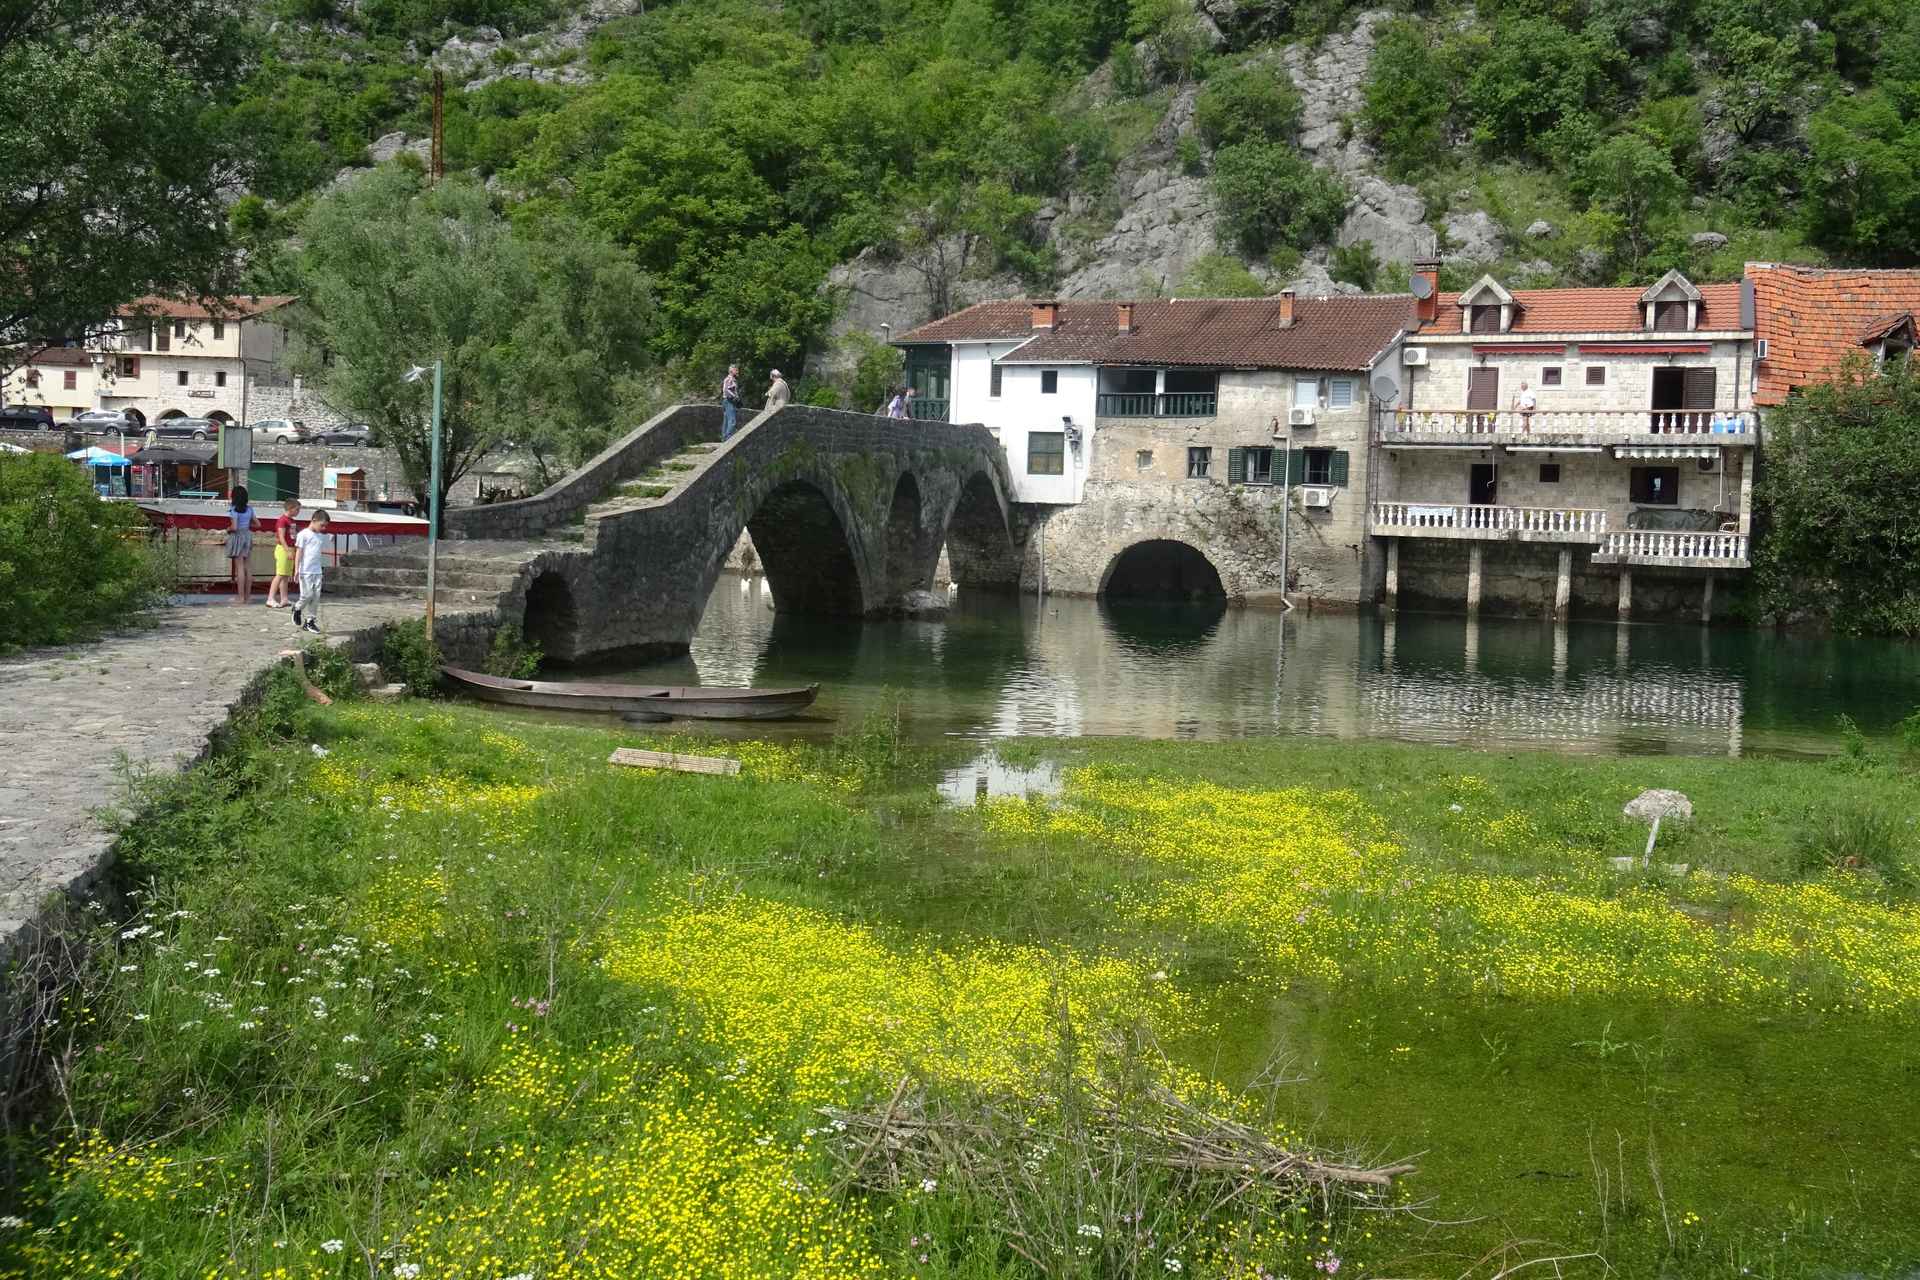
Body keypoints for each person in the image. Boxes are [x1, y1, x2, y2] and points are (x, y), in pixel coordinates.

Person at [291, 507, 330, 634]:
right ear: (314, 520)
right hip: (305, 571)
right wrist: (296, 569)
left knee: (316, 597)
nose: (323, 528)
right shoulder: (303, 535)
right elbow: (299, 553)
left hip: (317, 571)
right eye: (322, 525)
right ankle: (297, 608)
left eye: (325, 526)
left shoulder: (319, 536)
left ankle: (310, 621)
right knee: (307, 595)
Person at [265, 496, 299, 609]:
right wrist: (287, 550)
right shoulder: (282, 520)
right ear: (290, 508)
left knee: (285, 575)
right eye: (297, 509)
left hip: (291, 548)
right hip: (284, 549)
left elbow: (293, 535)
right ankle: (270, 598)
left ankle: (284, 598)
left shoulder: (292, 521)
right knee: (279, 574)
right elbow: (281, 537)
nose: (298, 512)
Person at [227, 485, 255, 606]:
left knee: (239, 567)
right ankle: (248, 597)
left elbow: (234, 527)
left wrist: (228, 529)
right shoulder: (250, 509)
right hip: (247, 536)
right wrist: (247, 526)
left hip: (238, 537)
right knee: (248, 567)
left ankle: (241, 597)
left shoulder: (233, 510)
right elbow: (258, 524)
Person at [721, 364, 742, 439]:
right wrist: (735, 397)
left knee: (726, 421)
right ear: (731, 371)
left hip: (728, 401)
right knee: (732, 421)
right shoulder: (729, 379)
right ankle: (728, 438)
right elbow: (726, 390)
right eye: (736, 370)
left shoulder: (733, 379)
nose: (737, 371)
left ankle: (724, 438)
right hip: (729, 401)